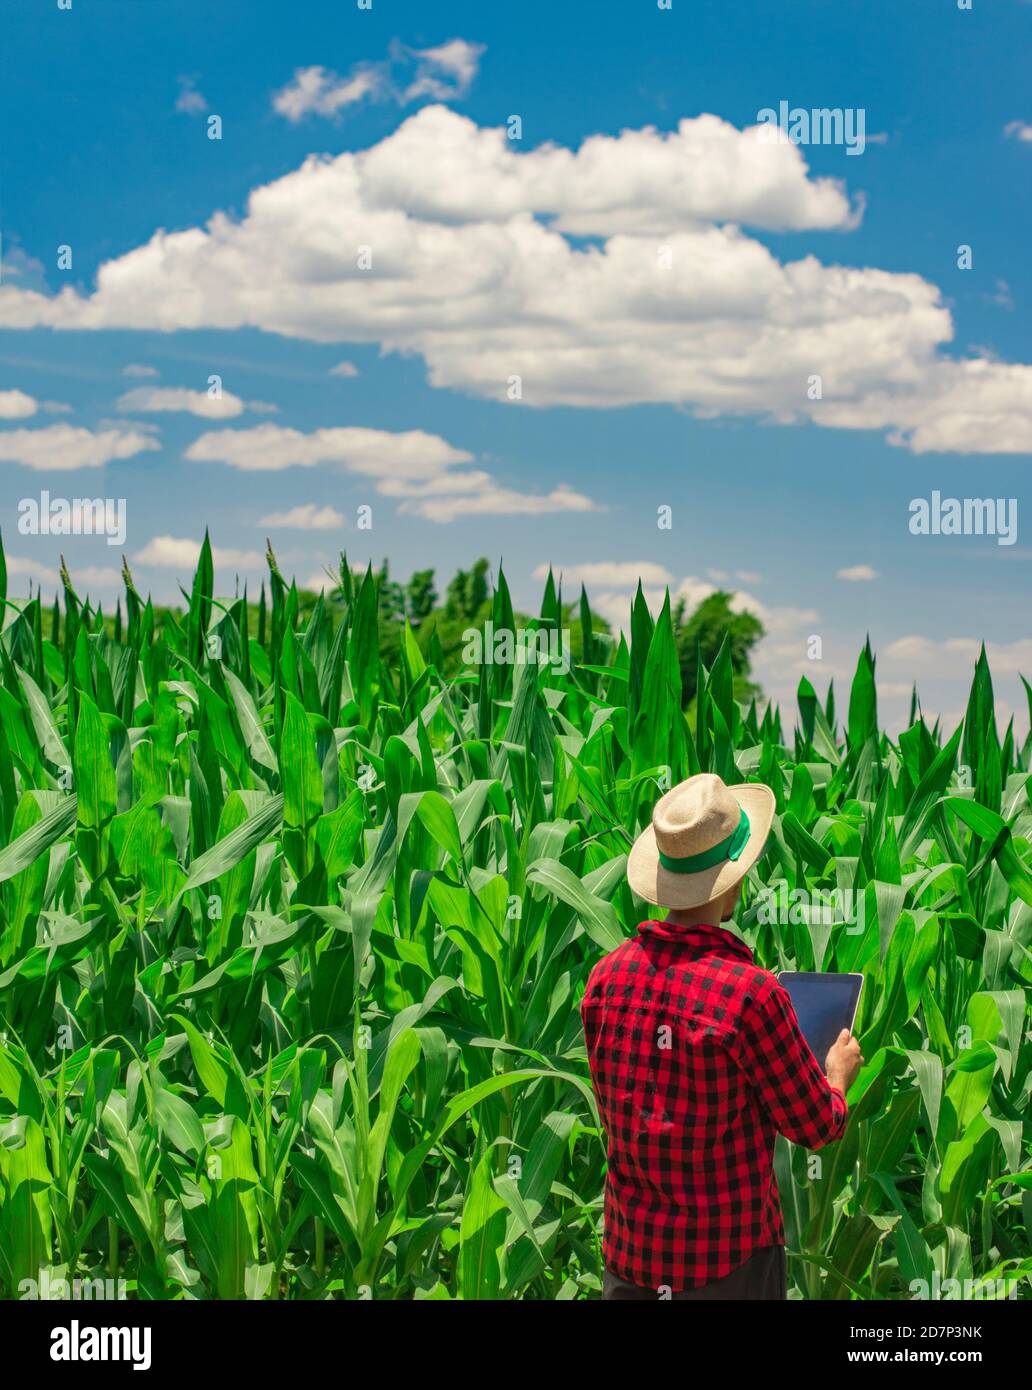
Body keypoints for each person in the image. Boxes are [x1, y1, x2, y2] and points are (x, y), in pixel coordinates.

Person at [581, 772, 863, 1300]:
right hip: (725, 1267)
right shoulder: (751, 996)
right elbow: (815, 1124)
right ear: (733, 878)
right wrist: (837, 1076)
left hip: (629, 1260)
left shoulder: (605, 980)